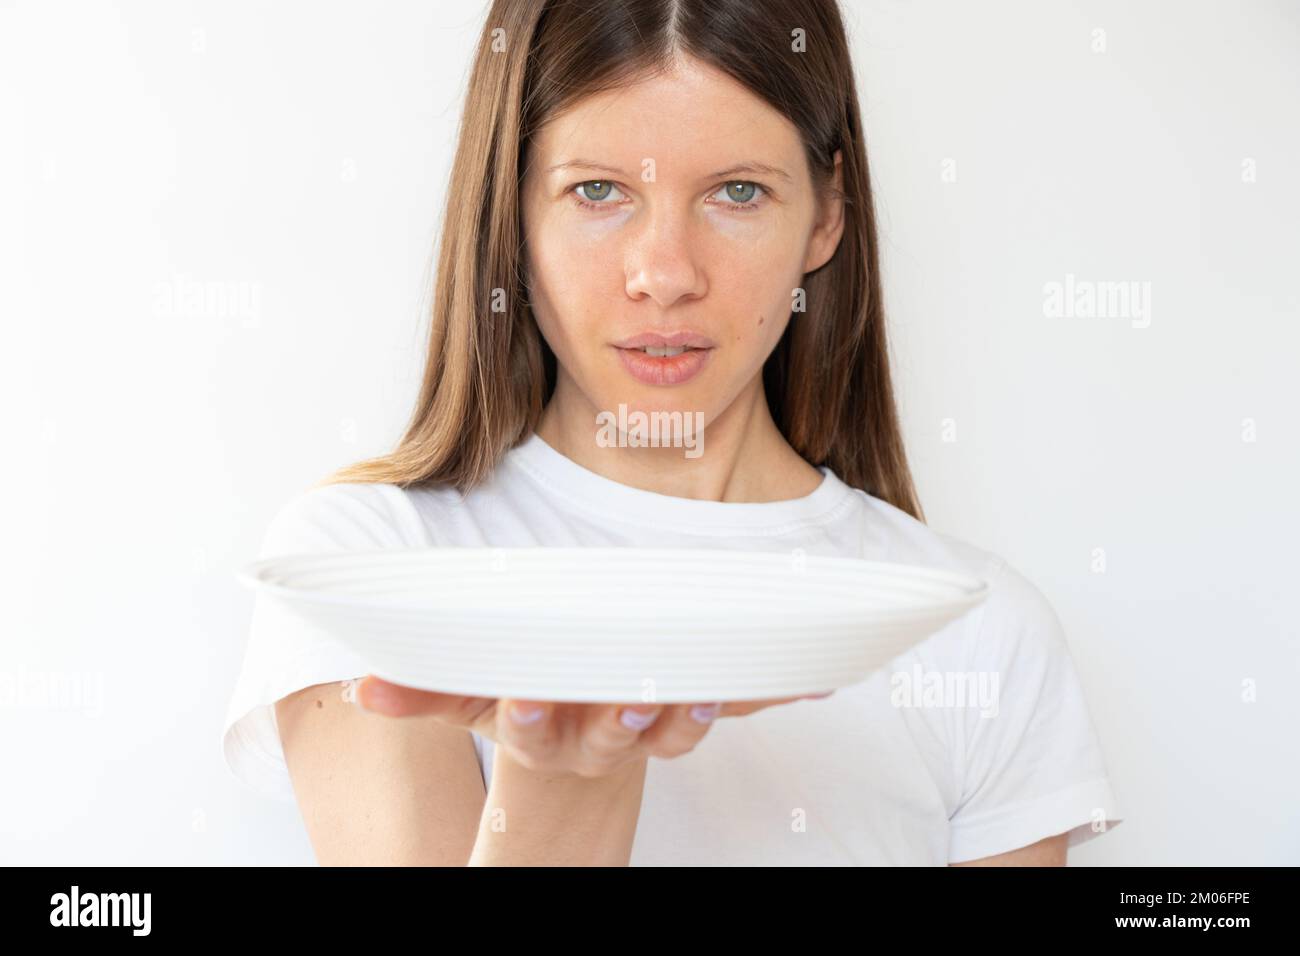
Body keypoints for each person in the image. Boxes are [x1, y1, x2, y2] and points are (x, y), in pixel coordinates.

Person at [222, 0, 1123, 866]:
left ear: (826, 214)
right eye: (598, 191)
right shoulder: (368, 568)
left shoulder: (977, 631)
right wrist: (565, 774)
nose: (664, 274)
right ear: (512, 209)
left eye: (737, 192)